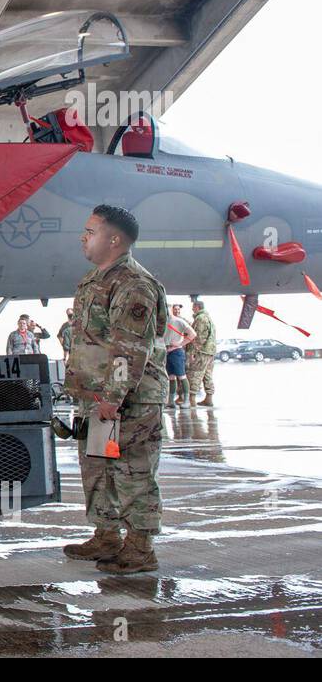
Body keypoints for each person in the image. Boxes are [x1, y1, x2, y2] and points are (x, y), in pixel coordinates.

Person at [62, 204, 167, 574]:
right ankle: (106, 535)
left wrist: (112, 397)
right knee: (100, 466)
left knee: (132, 471)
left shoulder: (132, 284)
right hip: (99, 400)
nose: (83, 237)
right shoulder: (97, 279)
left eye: (91, 232)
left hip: (127, 402)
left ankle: (140, 548)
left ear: (115, 239)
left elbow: (130, 347)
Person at [164, 302, 197, 407]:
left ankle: (186, 401)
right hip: (167, 351)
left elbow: (193, 334)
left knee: (181, 376)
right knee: (171, 377)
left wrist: (180, 344)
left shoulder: (179, 321)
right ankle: (171, 401)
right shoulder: (162, 322)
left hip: (176, 352)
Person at [187, 300, 217, 406]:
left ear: (197, 307)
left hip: (202, 351)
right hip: (210, 351)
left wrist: (192, 352)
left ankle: (192, 399)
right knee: (207, 375)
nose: (192, 309)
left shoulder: (200, 319)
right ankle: (209, 398)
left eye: (193, 307)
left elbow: (198, 337)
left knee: (195, 373)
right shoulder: (208, 318)